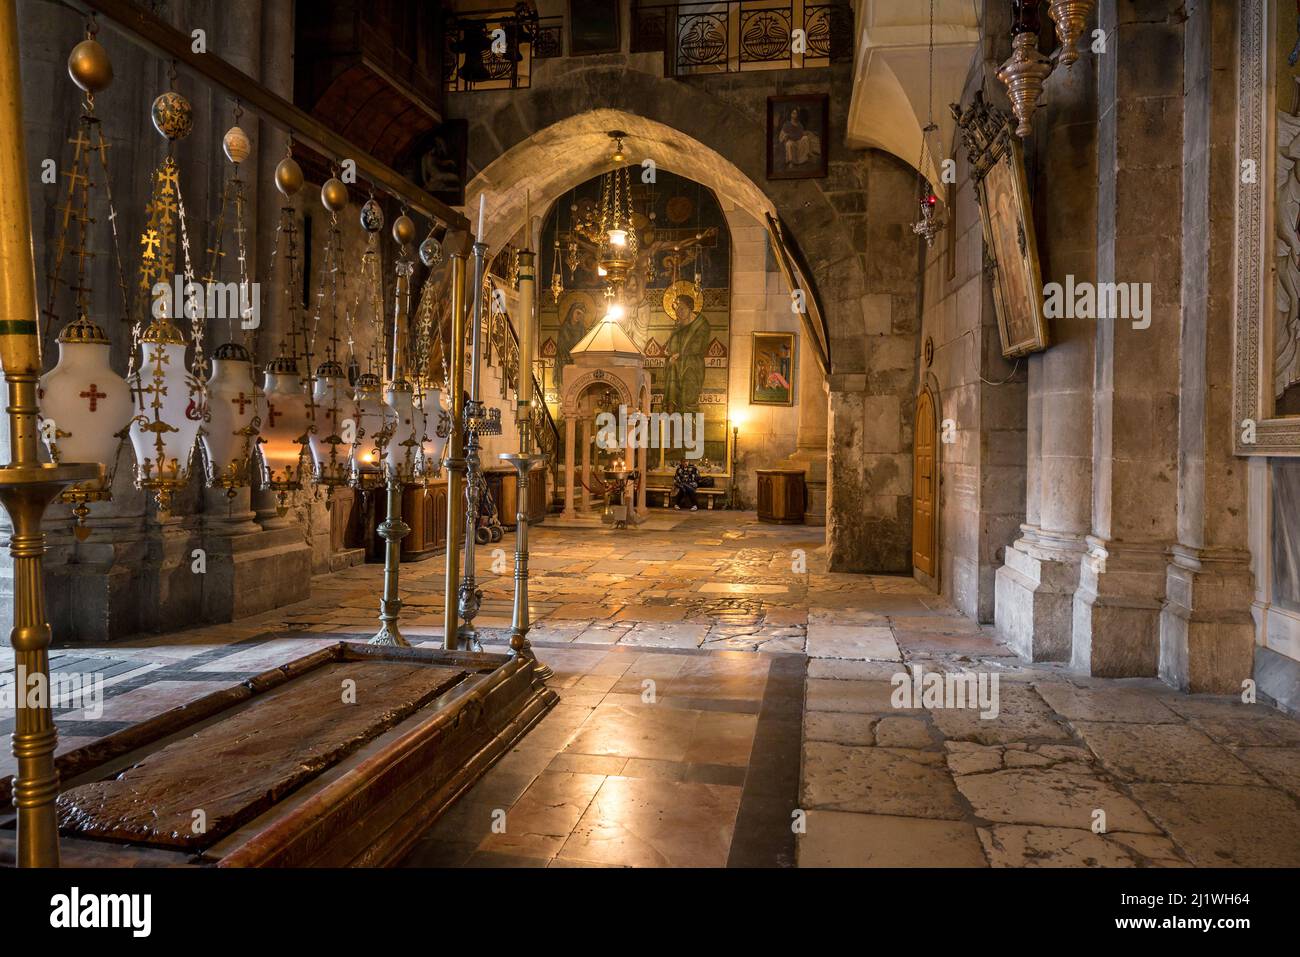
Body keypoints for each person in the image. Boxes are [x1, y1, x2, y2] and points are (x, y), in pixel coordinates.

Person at [663, 293, 711, 413]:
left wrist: (679, 354)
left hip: (692, 366)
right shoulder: (679, 326)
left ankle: (691, 428)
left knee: (688, 398)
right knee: (676, 398)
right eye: (676, 309)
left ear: (690, 308)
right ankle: (674, 423)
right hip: (677, 366)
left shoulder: (701, 324)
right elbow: (673, 342)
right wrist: (670, 352)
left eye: (682, 308)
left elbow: (698, 346)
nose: (679, 312)